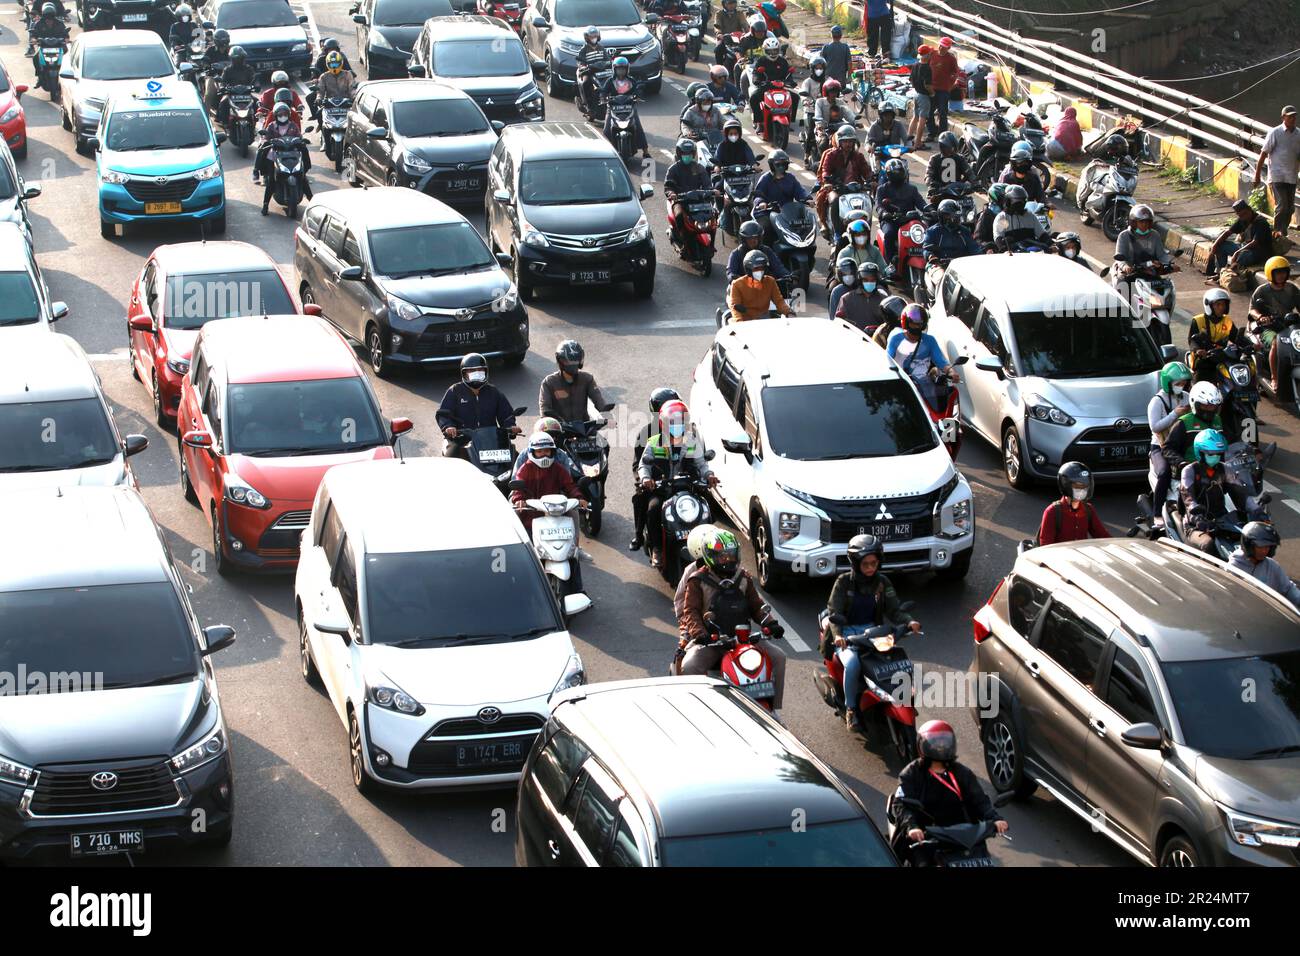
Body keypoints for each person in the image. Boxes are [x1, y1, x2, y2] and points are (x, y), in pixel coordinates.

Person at [678, 529, 787, 713]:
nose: (728, 560)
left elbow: (756, 605)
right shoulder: (697, 580)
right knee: (689, 666)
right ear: (710, 556)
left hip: (743, 640)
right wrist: (700, 635)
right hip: (712, 642)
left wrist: (770, 623)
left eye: (731, 555)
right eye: (722, 557)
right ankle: (695, 712)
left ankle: (773, 710)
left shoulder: (743, 577)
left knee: (778, 657)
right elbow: (691, 611)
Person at [824, 534, 918, 733]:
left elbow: (894, 610)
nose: (870, 568)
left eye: (873, 563)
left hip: (874, 632)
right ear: (856, 563)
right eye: (865, 564)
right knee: (853, 663)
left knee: (894, 659)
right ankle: (851, 709)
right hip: (848, 634)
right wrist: (839, 635)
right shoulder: (843, 582)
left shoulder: (882, 582)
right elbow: (834, 612)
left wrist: (909, 621)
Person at [893, 721, 1008, 865]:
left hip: (962, 835)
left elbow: (979, 799)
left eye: (944, 740)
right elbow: (901, 805)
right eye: (935, 741)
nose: (941, 745)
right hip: (927, 836)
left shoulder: (962, 772)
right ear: (922, 745)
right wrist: (912, 827)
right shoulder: (910, 774)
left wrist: (994, 818)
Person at [637, 400, 718, 566]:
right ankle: (657, 549)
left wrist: (709, 475)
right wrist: (646, 479)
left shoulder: (691, 441)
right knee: (652, 510)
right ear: (664, 424)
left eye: (681, 423)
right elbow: (643, 465)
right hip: (662, 490)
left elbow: (701, 464)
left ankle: (710, 545)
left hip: (688, 489)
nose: (677, 426)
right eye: (673, 423)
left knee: (708, 509)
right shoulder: (654, 442)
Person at [436, 353, 521, 460]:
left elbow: (506, 414)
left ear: (486, 372)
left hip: (490, 440)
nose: (476, 373)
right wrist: (448, 426)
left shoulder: (494, 392)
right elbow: (443, 414)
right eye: (472, 371)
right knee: (452, 459)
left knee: (516, 460)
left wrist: (511, 426)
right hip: (461, 440)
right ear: (464, 373)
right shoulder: (455, 391)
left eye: (480, 370)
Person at [1179, 429, 1252, 555]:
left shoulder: (1225, 469)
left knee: (1251, 540)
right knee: (1208, 544)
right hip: (1195, 524)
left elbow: (1240, 494)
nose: (1215, 457)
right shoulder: (1190, 470)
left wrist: (1256, 510)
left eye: (1218, 454)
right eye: (1211, 454)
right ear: (1200, 453)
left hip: (1222, 521)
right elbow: (1188, 497)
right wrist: (1197, 517)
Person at [629, 387, 681, 550]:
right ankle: (642, 538)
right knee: (646, 504)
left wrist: (706, 475)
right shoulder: (647, 434)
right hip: (657, 485)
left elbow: (697, 460)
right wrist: (645, 480)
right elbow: (639, 464)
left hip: (682, 484)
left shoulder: (687, 431)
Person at [510, 434, 587, 535]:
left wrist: (578, 497)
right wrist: (519, 500)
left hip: (555, 509)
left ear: (552, 452)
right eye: (539, 451)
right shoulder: (525, 469)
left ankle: (575, 545)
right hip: (530, 510)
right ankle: (518, 546)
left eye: (547, 451)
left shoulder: (558, 468)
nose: (544, 454)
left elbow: (569, 485)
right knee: (514, 515)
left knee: (574, 511)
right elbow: (518, 488)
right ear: (532, 452)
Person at [1147, 361, 1193, 524]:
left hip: (1180, 444)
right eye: (1178, 383)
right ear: (1168, 383)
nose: (1182, 386)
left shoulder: (1187, 397)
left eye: (1184, 383)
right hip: (1159, 447)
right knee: (1165, 472)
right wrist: (1175, 414)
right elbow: (1155, 426)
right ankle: (1157, 512)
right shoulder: (1157, 401)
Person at [885, 305, 958, 405]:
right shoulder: (896, 339)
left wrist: (951, 372)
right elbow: (888, 361)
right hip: (902, 383)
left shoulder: (930, 340)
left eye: (919, 324)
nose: (916, 327)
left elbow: (940, 361)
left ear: (923, 325)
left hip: (924, 387)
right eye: (913, 324)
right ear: (905, 322)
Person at [1248, 255, 1300, 393]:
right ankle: (1274, 377)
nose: (1281, 275)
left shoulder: (1292, 289)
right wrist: (1261, 317)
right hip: (1269, 326)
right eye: (1278, 272)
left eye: (1284, 272)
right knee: (1276, 343)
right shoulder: (1262, 291)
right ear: (1270, 273)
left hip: (1288, 325)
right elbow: (1252, 310)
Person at [255, 103, 312, 214]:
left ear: (288, 115)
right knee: (271, 180)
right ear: (276, 115)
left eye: (285, 114)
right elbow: (266, 138)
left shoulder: (293, 126)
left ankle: (312, 201)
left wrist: (301, 141)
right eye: (280, 114)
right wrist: (267, 142)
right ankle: (265, 204)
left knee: (302, 178)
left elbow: (299, 137)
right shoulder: (271, 126)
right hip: (276, 156)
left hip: (292, 155)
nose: (283, 116)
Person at [1229, 522, 1300, 611]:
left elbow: (1289, 589)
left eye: (1268, 547)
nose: (1265, 551)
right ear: (1249, 545)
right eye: (1261, 547)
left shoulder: (1272, 566)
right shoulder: (1233, 569)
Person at [1113, 203, 1176, 304]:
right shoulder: (1124, 236)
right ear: (1134, 223)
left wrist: (1170, 264)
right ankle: (1123, 315)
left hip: (1149, 271)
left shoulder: (1154, 235)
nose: (1145, 225)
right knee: (1122, 290)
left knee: (1164, 291)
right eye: (1141, 222)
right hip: (1130, 273)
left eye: (1147, 222)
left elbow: (1162, 254)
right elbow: (1120, 256)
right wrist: (1125, 266)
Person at [539, 340, 611, 425]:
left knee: (600, 438)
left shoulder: (588, 379)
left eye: (575, 361)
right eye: (568, 361)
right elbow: (545, 409)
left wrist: (606, 414)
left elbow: (599, 400)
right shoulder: (548, 383)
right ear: (560, 361)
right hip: (559, 429)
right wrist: (557, 422)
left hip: (583, 428)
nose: (572, 364)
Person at [1252, 105, 1299, 235]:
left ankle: (1282, 233)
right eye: (1290, 116)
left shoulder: (1298, 134)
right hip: (1277, 175)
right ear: (1283, 117)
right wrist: (1256, 175)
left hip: (1291, 176)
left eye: (1294, 116)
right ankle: (1276, 231)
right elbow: (1263, 154)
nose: (1292, 119)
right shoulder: (1275, 132)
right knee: (1282, 206)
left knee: (1290, 209)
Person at [1036, 462, 1109, 545]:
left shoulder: (1088, 510)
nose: (1082, 490)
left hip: (1082, 557)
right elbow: (1045, 547)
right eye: (1077, 486)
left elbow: (1104, 537)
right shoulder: (1052, 512)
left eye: (1085, 486)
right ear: (1065, 485)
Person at [816, 124, 871, 234]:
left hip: (856, 189)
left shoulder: (858, 156)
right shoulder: (831, 155)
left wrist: (872, 180)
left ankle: (866, 232)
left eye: (850, 141)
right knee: (835, 200)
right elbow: (825, 170)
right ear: (840, 142)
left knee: (868, 201)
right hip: (836, 188)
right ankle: (836, 233)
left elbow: (867, 171)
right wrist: (827, 182)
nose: (848, 144)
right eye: (845, 141)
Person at [875, 157, 926, 267]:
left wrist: (930, 210)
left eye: (900, 171)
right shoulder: (882, 189)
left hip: (908, 221)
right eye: (895, 172)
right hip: (890, 220)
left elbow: (921, 203)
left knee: (924, 232)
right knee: (889, 234)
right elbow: (879, 206)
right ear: (888, 174)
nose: (898, 174)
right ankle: (890, 264)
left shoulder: (912, 189)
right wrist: (884, 213)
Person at [1206, 200, 1273, 282]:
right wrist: (1215, 246)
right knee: (1221, 246)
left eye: (1244, 214)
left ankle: (1229, 273)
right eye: (1240, 215)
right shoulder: (1242, 220)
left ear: (1249, 210)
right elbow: (1228, 233)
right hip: (1244, 247)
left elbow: (1255, 242)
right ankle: (1221, 273)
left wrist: (1237, 252)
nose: (1243, 217)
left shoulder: (1261, 222)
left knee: (1243, 255)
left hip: (1258, 252)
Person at [665, 139, 715, 244]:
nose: (687, 156)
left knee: (713, 214)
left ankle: (712, 242)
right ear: (679, 154)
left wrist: (711, 191)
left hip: (698, 200)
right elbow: (668, 186)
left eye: (689, 153)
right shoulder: (673, 169)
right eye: (684, 153)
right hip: (680, 201)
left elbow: (707, 184)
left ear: (693, 154)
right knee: (679, 215)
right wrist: (672, 193)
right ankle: (681, 237)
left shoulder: (699, 168)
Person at [601, 58, 651, 160]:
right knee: (606, 129)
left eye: (623, 69)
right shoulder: (610, 81)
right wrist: (603, 98)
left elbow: (637, 90)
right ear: (614, 69)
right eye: (619, 69)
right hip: (613, 108)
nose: (621, 71)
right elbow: (603, 91)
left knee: (638, 126)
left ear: (627, 69)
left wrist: (637, 95)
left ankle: (645, 151)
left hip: (629, 107)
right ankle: (604, 152)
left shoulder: (631, 80)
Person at [1164, 381, 1225, 463]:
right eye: (1205, 405)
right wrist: (1180, 463)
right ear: (1195, 403)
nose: (1210, 409)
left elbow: (1228, 445)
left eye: (1212, 406)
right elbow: (1168, 448)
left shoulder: (1218, 420)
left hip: (1217, 469)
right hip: (1192, 470)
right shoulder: (1184, 422)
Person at [753, 150, 809, 239]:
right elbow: (758, 195)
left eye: (784, 164)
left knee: (804, 227)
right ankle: (766, 252)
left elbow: (799, 191)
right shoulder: (765, 178)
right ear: (772, 165)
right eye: (778, 164)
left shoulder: (790, 178)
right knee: (766, 230)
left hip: (787, 212)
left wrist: (807, 199)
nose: (781, 167)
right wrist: (761, 203)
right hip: (767, 212)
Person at [673, 523, 721, 625]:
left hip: (730, 621)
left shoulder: (730, 566)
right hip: (702, 625)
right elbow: (681, 601)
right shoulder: (691, 571)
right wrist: (690, 625)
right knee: (688, 640)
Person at [1188, 287, 1239, 383]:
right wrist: (1198, 350)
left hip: (1222, 356)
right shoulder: (1198, 320)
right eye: (1218, 304)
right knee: (1200, 384)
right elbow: (1192, 340)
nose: (1221, 307)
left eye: (1223, 304)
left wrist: (1251, 345)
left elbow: (1236, 338)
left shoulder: (1227, 321)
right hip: (1203, 359)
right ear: (1209, 305)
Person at [726, 250, 791, 321]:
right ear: (748, 269)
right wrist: (739, 323)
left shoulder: (770, 281)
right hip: (744, 321)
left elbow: (779, 302)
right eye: (756, 269)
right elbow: (735, 308)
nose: (760, 271)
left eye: (762, 268)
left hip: (764, 320)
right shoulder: (737, 284)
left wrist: (789, 313)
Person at [748, 36, 797, 120]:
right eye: (770, 51)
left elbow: (788, 74)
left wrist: (790, 82)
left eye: (775, 50)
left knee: (795, 97)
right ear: (765, 51)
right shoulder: (761, 61)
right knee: (753, 98)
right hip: (766, 87)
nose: (773, 53)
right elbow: (756, 73)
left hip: (781, 87)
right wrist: (758, 81)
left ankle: (791, 119)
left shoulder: (783, 61)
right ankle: (758, 121)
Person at [993, 183, 1053, 251]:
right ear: (1008, 202)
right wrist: (1004, 249)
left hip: (1033, 254)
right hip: (1013, 255)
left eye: (1023, 202)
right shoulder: (1002, 218)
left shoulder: (1030, 216)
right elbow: (999, 239)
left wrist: (1051, 245)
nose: (1021, 205)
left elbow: (1042, 235)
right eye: (1018, 202)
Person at [834, 259, 889, 332]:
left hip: (876, 341)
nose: (869, 282)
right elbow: (840, 324)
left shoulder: (884, 299)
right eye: (866, 280)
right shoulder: (847, 299)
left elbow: (888, 325)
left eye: (872, 280)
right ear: (860, 280)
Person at [511, 417, 577, 478]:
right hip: (530, 489)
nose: (552, 439)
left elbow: (567, 479)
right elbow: (515, 478)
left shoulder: (561, 455)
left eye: (555, 436)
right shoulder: (525, 454)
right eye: (539, 451)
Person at [923, 198, 982, 264]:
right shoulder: (932, 232)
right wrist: (931, 256)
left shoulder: (964, 231)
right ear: (942, 215)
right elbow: (926, 250)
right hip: (938, 264)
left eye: (957, 216)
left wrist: (983, 253)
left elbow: (974, 248)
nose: (955, 218)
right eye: (949, 215)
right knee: (940, 274)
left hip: (960, 265)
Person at [28, 5, 68, 89]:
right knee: (35, 57)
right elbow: (33, 34)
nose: (49, 21)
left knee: (68, 56)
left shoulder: (59, 23)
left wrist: (66, 39)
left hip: (58, 46)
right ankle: (39, 77)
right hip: (43, 47)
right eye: (47, 19)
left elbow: (66, 34)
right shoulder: (38, 23)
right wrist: (34, 39)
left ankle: (67, 75)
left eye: (51, 19)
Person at [215, 47, 256, 127]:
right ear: (232, 59)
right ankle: (225, 122)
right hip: (231, 94)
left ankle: (255, 119)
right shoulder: (227, 70)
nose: (238, 61)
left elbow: (254, 79)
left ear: (243, 58)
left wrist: (256, 85)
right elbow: (223, 81)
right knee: (223, 103)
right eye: (236, 59)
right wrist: (222, 87)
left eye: (240, 58)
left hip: (246, 94)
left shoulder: (249, 69)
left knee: (257, 102)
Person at [925, 132, 970, 202]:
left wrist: (976, 183)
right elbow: (928, 176)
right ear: (942, 147)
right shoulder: (934, 159)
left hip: (957, 193)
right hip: (939, 194)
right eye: (950, 148)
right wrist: (932, 185)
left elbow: (969, 172)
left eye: (953, 148)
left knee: (969, 205)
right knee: (930, 211)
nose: (952, 150)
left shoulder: (960, 158)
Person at [575, 26, 609, 118]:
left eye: (595, 36)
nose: (594, 38)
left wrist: (608, 63)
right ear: (587, 38)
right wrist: (584, 67)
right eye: (591, 36)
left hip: (602, 72)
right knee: (585, 83)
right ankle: (588, 106)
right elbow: (580, 63)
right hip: (589, 72)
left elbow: (607, 59)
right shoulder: (583, 49)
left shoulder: (601, 48)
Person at [927, 37, 960, 134]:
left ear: (948, 48)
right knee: (929, 112)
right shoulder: (932, 54)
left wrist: (950, 84)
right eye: (940, 45)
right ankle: (932, 132)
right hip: (931, 89)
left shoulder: (951, 59)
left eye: (944, 47)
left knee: (943, 113)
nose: (941, 48)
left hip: (943, 90)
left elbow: (955, 73)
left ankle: (943, 133)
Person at [199, 29, 233, 113]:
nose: (224, 45)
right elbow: (204, 62)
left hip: (229, 76)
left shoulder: (231, 50)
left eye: (226, 40)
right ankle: (206, 115)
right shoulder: (210, 50)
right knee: (209, 94)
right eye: (222, 41)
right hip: (213, 76)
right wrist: (208, 67)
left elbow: (238, 59)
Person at [974, 182, 1005, 250]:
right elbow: (978, 239)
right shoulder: (986, 215)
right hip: (995, 252)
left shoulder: (1010, 213)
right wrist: (989, 247)